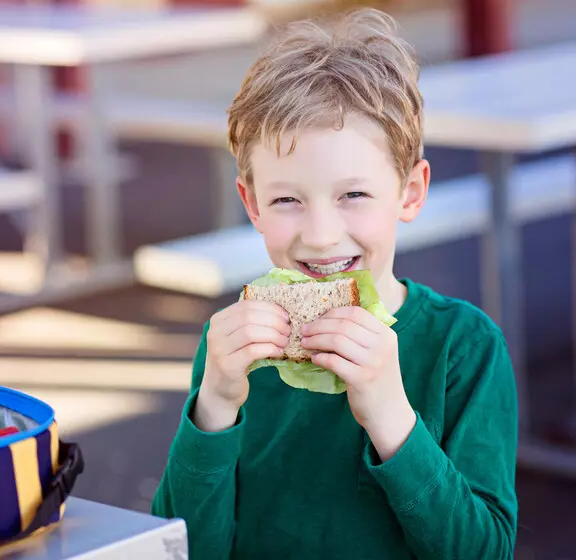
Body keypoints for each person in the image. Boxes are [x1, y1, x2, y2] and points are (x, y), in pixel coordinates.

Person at [150, 7, 518, 559]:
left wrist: (392, 418)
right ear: (251, 204)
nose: (321, 236)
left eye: (354, 195)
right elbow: (182, 548)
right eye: (286, 200)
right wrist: (216, 405)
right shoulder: (232, 347)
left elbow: (484, 552)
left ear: (410, 192)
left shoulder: (464, 347)